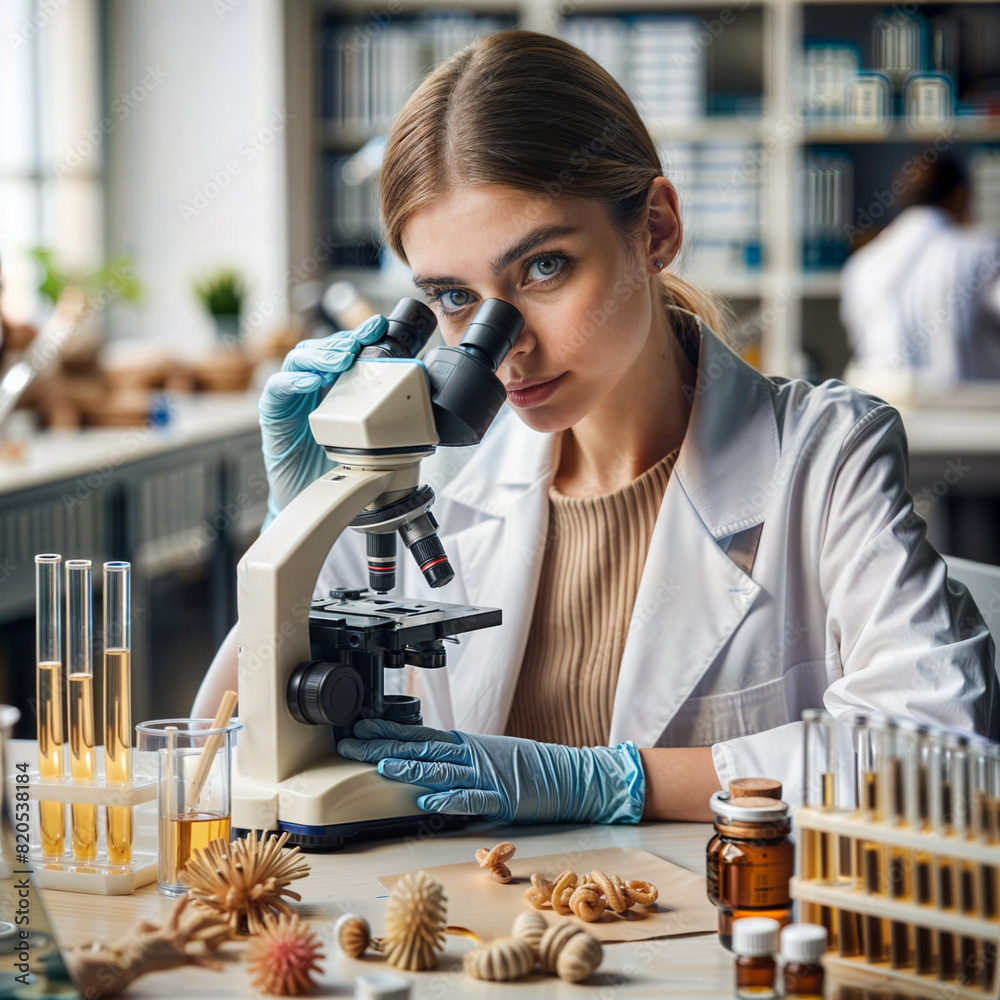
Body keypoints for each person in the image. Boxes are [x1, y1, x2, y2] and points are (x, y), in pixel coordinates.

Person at [194, 31, 997, 824]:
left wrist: (618, 781)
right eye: (452, 297)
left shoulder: (824, 458)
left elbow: (941, 747)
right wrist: (293, 531)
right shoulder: (430, 471)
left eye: (543, 268)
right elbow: (214, 754)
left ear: (654, 230)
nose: (505, 348)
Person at [841, 157, 1000, 388]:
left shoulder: (861, 265)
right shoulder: (982, 253)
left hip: (887, 416)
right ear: (961, 194)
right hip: (971, 417)